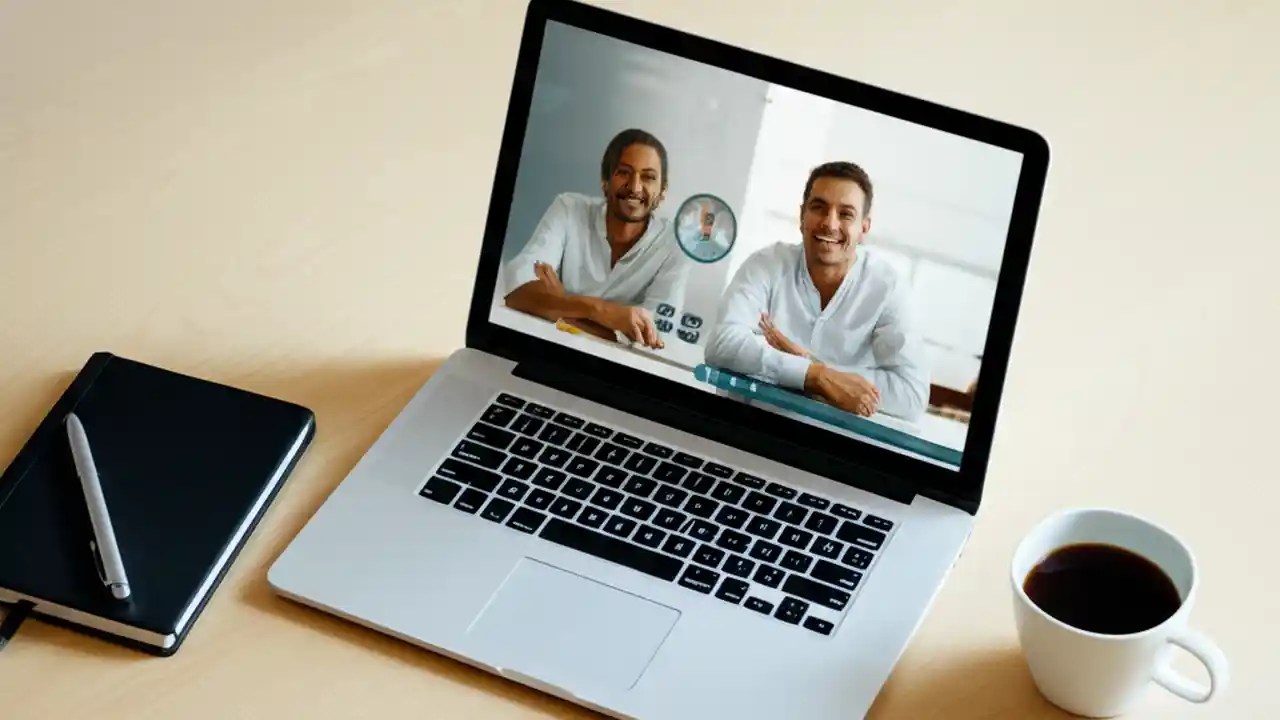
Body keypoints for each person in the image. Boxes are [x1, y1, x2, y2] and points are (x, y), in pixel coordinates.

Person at [704, 161, 929, 420]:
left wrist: (810, 365)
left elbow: (911, 395)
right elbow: (721, 344)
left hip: (832, 445)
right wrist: (815, 376)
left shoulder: (889, 289)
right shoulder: (767, 264)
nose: (830, 223)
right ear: (802, 216)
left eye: (846, 214)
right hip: (742, 425)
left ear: (863, 228)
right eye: (819, 207)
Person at [501, 128, 691, 349]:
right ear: (605, 181)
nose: (635, 187)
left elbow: (657, 336)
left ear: (663, 191)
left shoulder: (676, 244)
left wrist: (560, 304)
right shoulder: (568, 209)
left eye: (648, 177)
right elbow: (517, 291)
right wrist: (602, 312)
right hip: (544, 349)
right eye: (624, 172)